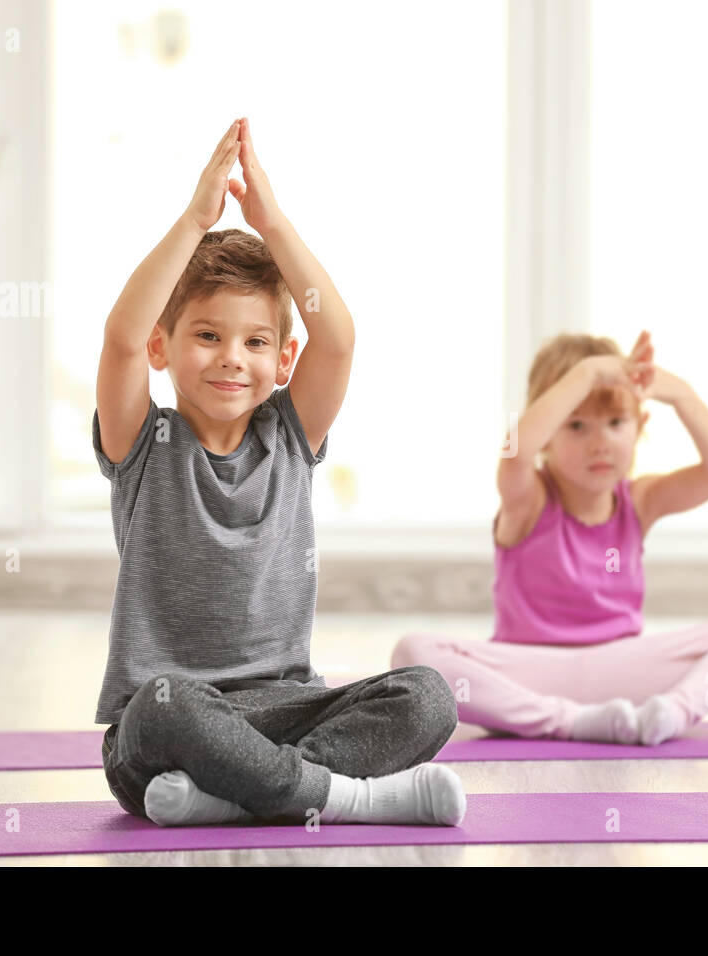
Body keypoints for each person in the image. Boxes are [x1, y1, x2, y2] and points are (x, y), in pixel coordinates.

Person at [93, 118, 464, 827]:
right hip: (170, 724)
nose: (233, 356)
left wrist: (272, 220)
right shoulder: (143, 442)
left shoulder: (291, 436)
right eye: (207, 335)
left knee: (429, 697)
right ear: (163, 347)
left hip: (287, 710)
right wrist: (197, 219)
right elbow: (117, 340)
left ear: (283, 358)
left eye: (255, 340)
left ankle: (233, 799)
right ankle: (346, 799)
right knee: (166, 702)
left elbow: (339, 335)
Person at [393, 331, 708, 746]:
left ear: (639, 426)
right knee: (411, 654)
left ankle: (672, 713)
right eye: (575, 426)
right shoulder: (528, 500)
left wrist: (680, 394)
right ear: (547, 437)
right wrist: (588, 372)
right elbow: (516, 452)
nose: (600, 444)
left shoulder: (640, 500)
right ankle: (568, 721)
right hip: (528, 675)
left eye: (615, 424)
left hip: (622, 670)